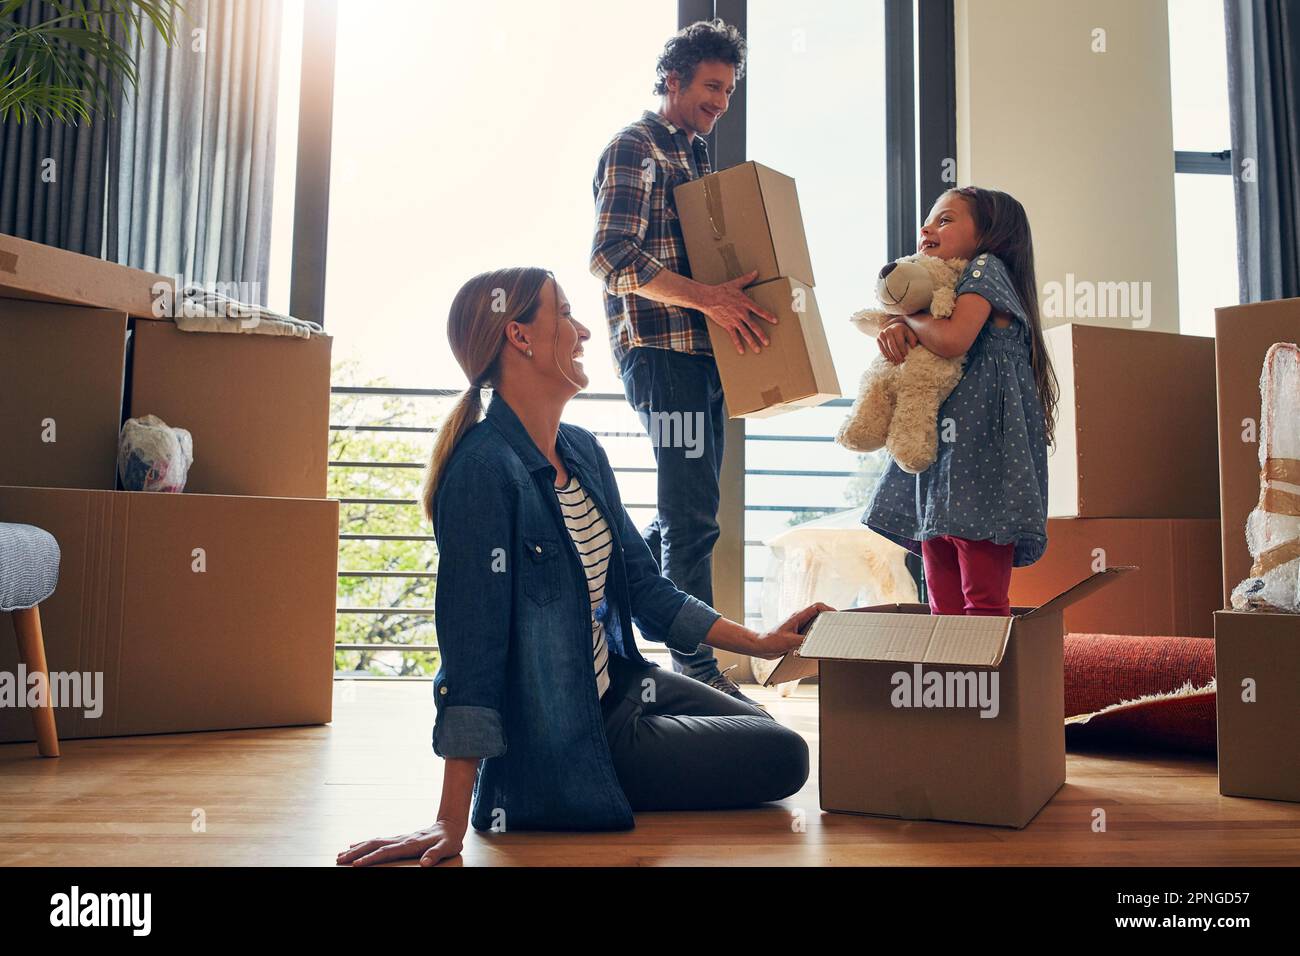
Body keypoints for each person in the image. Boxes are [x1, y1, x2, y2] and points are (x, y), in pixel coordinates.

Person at [338, 267, 828, 867]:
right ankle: (578, 791)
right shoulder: (482, 472)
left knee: (763, 725)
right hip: (569, 734)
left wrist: (759, 641)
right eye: (565, 314)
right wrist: (450, 819)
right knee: (784, 758)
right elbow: (473, 649)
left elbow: (646, 588)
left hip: (620, 685)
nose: (584, 331)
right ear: (520, 337)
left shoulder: (582, 452)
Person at [590, 19, 776, 703]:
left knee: (685, 515)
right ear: (672, 79)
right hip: (662, 356)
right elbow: (611, 258)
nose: (719, 104)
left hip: (700, 360)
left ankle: (624, 595)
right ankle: (696, 669)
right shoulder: (636, 148)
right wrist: (710, 301)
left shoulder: (697, 163)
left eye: (728, 92)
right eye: (710, 87)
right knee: (693, 516)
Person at [864, 186, 1059, 615]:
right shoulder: (942, 291)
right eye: (930, 220)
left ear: (990, 234)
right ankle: (953, 681)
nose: (927, 228)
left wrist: (906, 318)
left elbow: (952, 340)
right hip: (943, 472)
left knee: (982, 602)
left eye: (946, 220)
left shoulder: (986, 269)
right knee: (944, 605)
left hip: (980, 472)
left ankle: (985, 682)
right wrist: (904, 325)